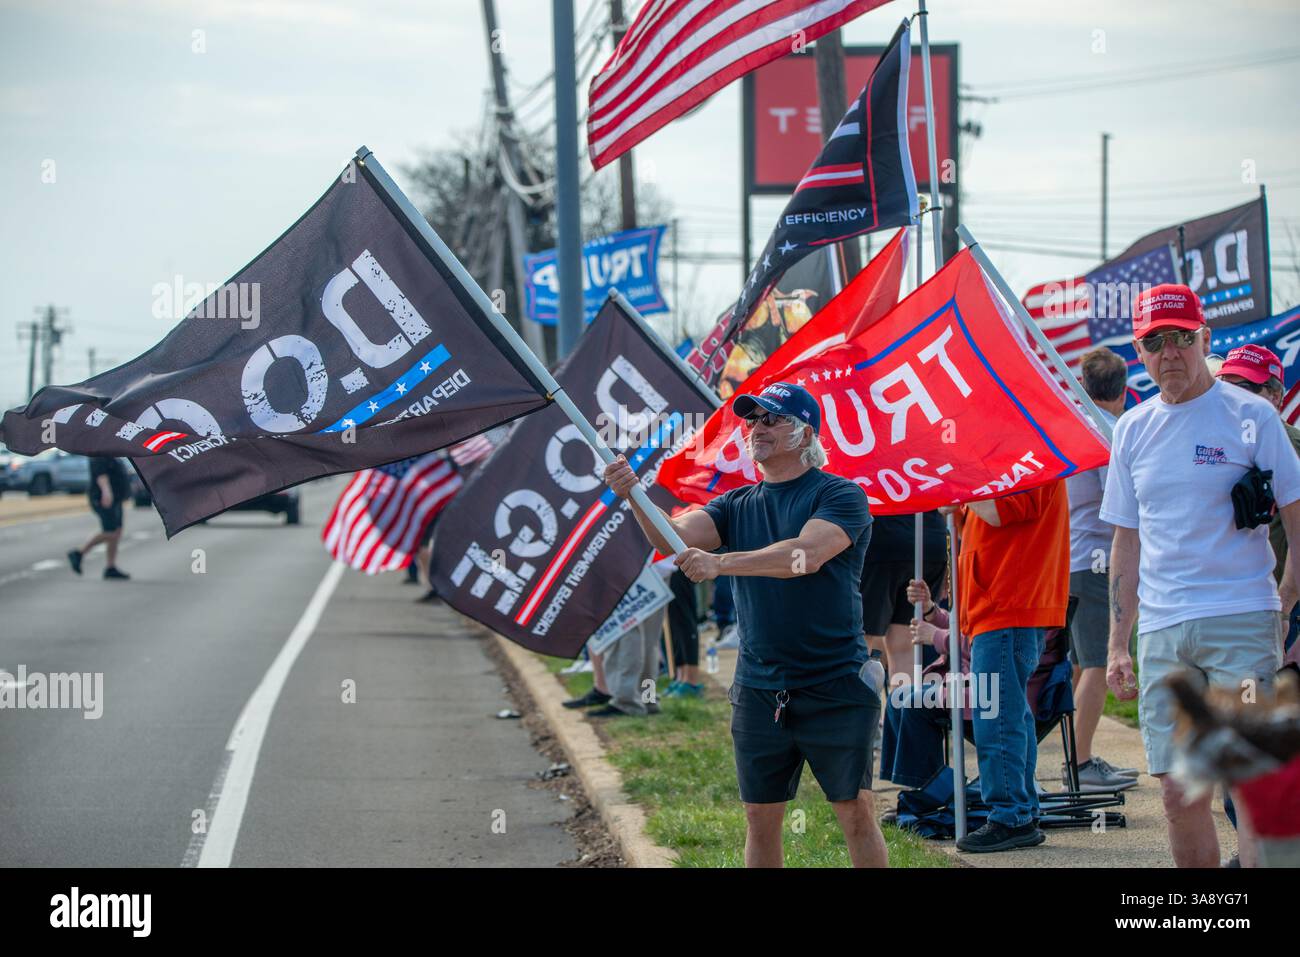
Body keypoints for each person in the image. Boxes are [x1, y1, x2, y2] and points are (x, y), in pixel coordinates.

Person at [603, 381, 886, 867]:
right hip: (759, 685)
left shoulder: (840, 494)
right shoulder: (734, 503)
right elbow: (674, 539)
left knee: (854, 810)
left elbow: (805, 555)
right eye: (752, 420)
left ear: (804, 433)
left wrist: (721, 563)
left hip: (834, 681)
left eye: (771, 419)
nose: (756, 428)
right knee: (759, 815)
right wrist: (634, 497)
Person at [1102, 284, 1300, 868]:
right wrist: (1118, 642)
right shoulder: (1132, 430)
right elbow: (1126, 539)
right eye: (1156, 342)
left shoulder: (1251, 414)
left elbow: (1295, 508)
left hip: (1240, 618)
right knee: (1177, 792)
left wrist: (1287, 593)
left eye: (1182, 339)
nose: (1171, 353)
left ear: (1205, 339)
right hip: (1164, 633)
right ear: (1140, 352)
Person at [945, 477, 1069, 853]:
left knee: (997, 714)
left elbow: (1001, 512)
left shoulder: (1030, 461)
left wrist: (959, 486)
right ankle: (1019, 808)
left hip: (1009, 602)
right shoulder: (1007, 465)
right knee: (1009, 712)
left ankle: (1010, 815)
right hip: (998, 605)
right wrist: (957, 506)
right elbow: (979, 523)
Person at [1063, 347, 1139, 791]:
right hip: (1097, 562)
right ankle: (1082, 763)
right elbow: (1121, 511)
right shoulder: (1111, 434)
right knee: (1096, 664)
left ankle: (1077, 754)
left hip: (1069, 561)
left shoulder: (1073, 427)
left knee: (1077, 665)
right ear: (1123, 390)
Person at [67, 456, 131, 580]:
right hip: (104, 498)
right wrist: (106, 492)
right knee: (111, 532)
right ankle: (79, 553)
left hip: (115, 498)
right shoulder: (99, 452)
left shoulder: (111, 451)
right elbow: (101, 475)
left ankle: (110, 567)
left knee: (116, 532)